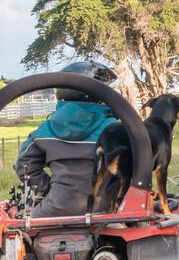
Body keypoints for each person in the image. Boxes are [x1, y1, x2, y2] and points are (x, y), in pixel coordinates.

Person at [14, 60, 119, 217]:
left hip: (54, 209)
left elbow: (24, 165)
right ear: (99, 94)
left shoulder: (45, 129)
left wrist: (48, 190)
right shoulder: (114, 129)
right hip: (105, 210)